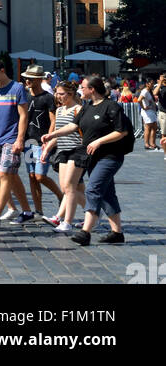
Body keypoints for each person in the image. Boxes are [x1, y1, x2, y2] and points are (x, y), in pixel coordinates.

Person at [50, 75, 130, 246]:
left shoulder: (111, 106)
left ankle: (85, 232)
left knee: (92, 189)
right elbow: (73, 126)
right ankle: (117, 233)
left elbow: (121, 131)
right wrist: (52, 135)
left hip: (110, 157)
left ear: (92, 89)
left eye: (83, 87)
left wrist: (99, 141)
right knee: (108, 195)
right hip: (92, 157)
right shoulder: (86, 107)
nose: (81, 90)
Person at [0, 57, 34, 225]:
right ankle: (27, 211)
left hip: (11, 139)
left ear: (2, 71)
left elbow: (23, 115)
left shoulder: (17, 88)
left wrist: (20, 139)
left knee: (5, 174)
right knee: (11, 175)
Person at [40, 80, 86, 232]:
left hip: (77, 150)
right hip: (62, 151)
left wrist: (51, 135)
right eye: (56, 94)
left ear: (70, 94)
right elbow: (58, 135)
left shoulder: (78, 109)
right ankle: (92, 213)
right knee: (69, 188)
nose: (57, 97)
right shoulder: (59, 110)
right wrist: (47, 149)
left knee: (69, 187)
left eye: (61, 94)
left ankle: (64, 221)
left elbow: (77, 130)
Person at [21, 65, 64, 218]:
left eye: (31, 78)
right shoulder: (25, 96)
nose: (27, 81)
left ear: (39, 79)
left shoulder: (47, 97)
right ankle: (38, 210)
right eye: (26, 78)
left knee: (40, 176)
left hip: (41, 141)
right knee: (32, 176)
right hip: (28, 141)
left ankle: (61, 195)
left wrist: (49, 138)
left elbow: (54, 120)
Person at [137, 80, 158, 149]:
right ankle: (147, 144)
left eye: (153, 83)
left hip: (151, 111)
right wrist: (143, 107)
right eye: (151, 83)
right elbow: (139, 100)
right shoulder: (145, 91)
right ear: (147, 84)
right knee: (148, 127)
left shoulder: (149, 91)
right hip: (147, 112)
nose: (152, 85)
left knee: (154, 127)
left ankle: (152, 143)